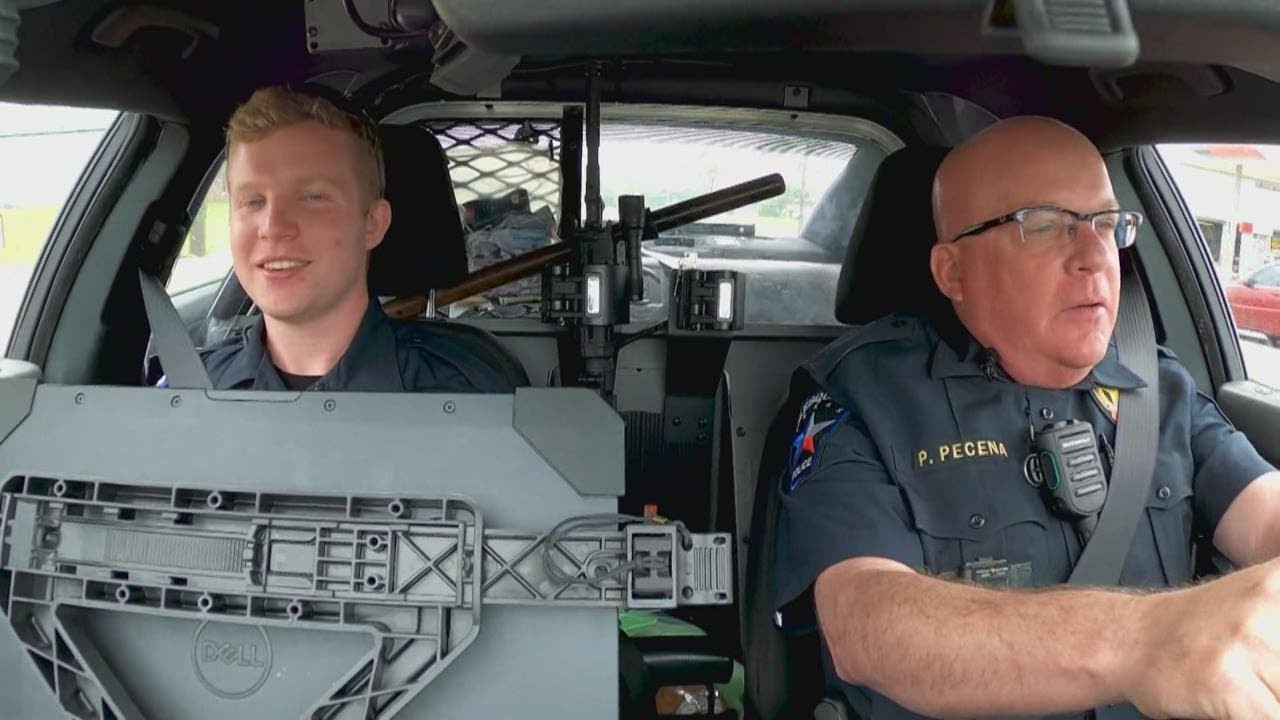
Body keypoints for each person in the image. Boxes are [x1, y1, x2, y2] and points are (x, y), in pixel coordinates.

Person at [773, 116, 1280, 720]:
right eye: (1045, 226)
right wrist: (1143, 641)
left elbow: (1266, 511)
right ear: (952, 272)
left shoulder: (1159, 386)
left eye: (1107, 225)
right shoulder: (857, 397)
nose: (1096, 257)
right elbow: (866, 623)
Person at [197, 85, 512, 392]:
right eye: (252, 200)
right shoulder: (190, 392)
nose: (273, 225)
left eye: (311, 197)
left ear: (373, 223)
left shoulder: (466, 395)